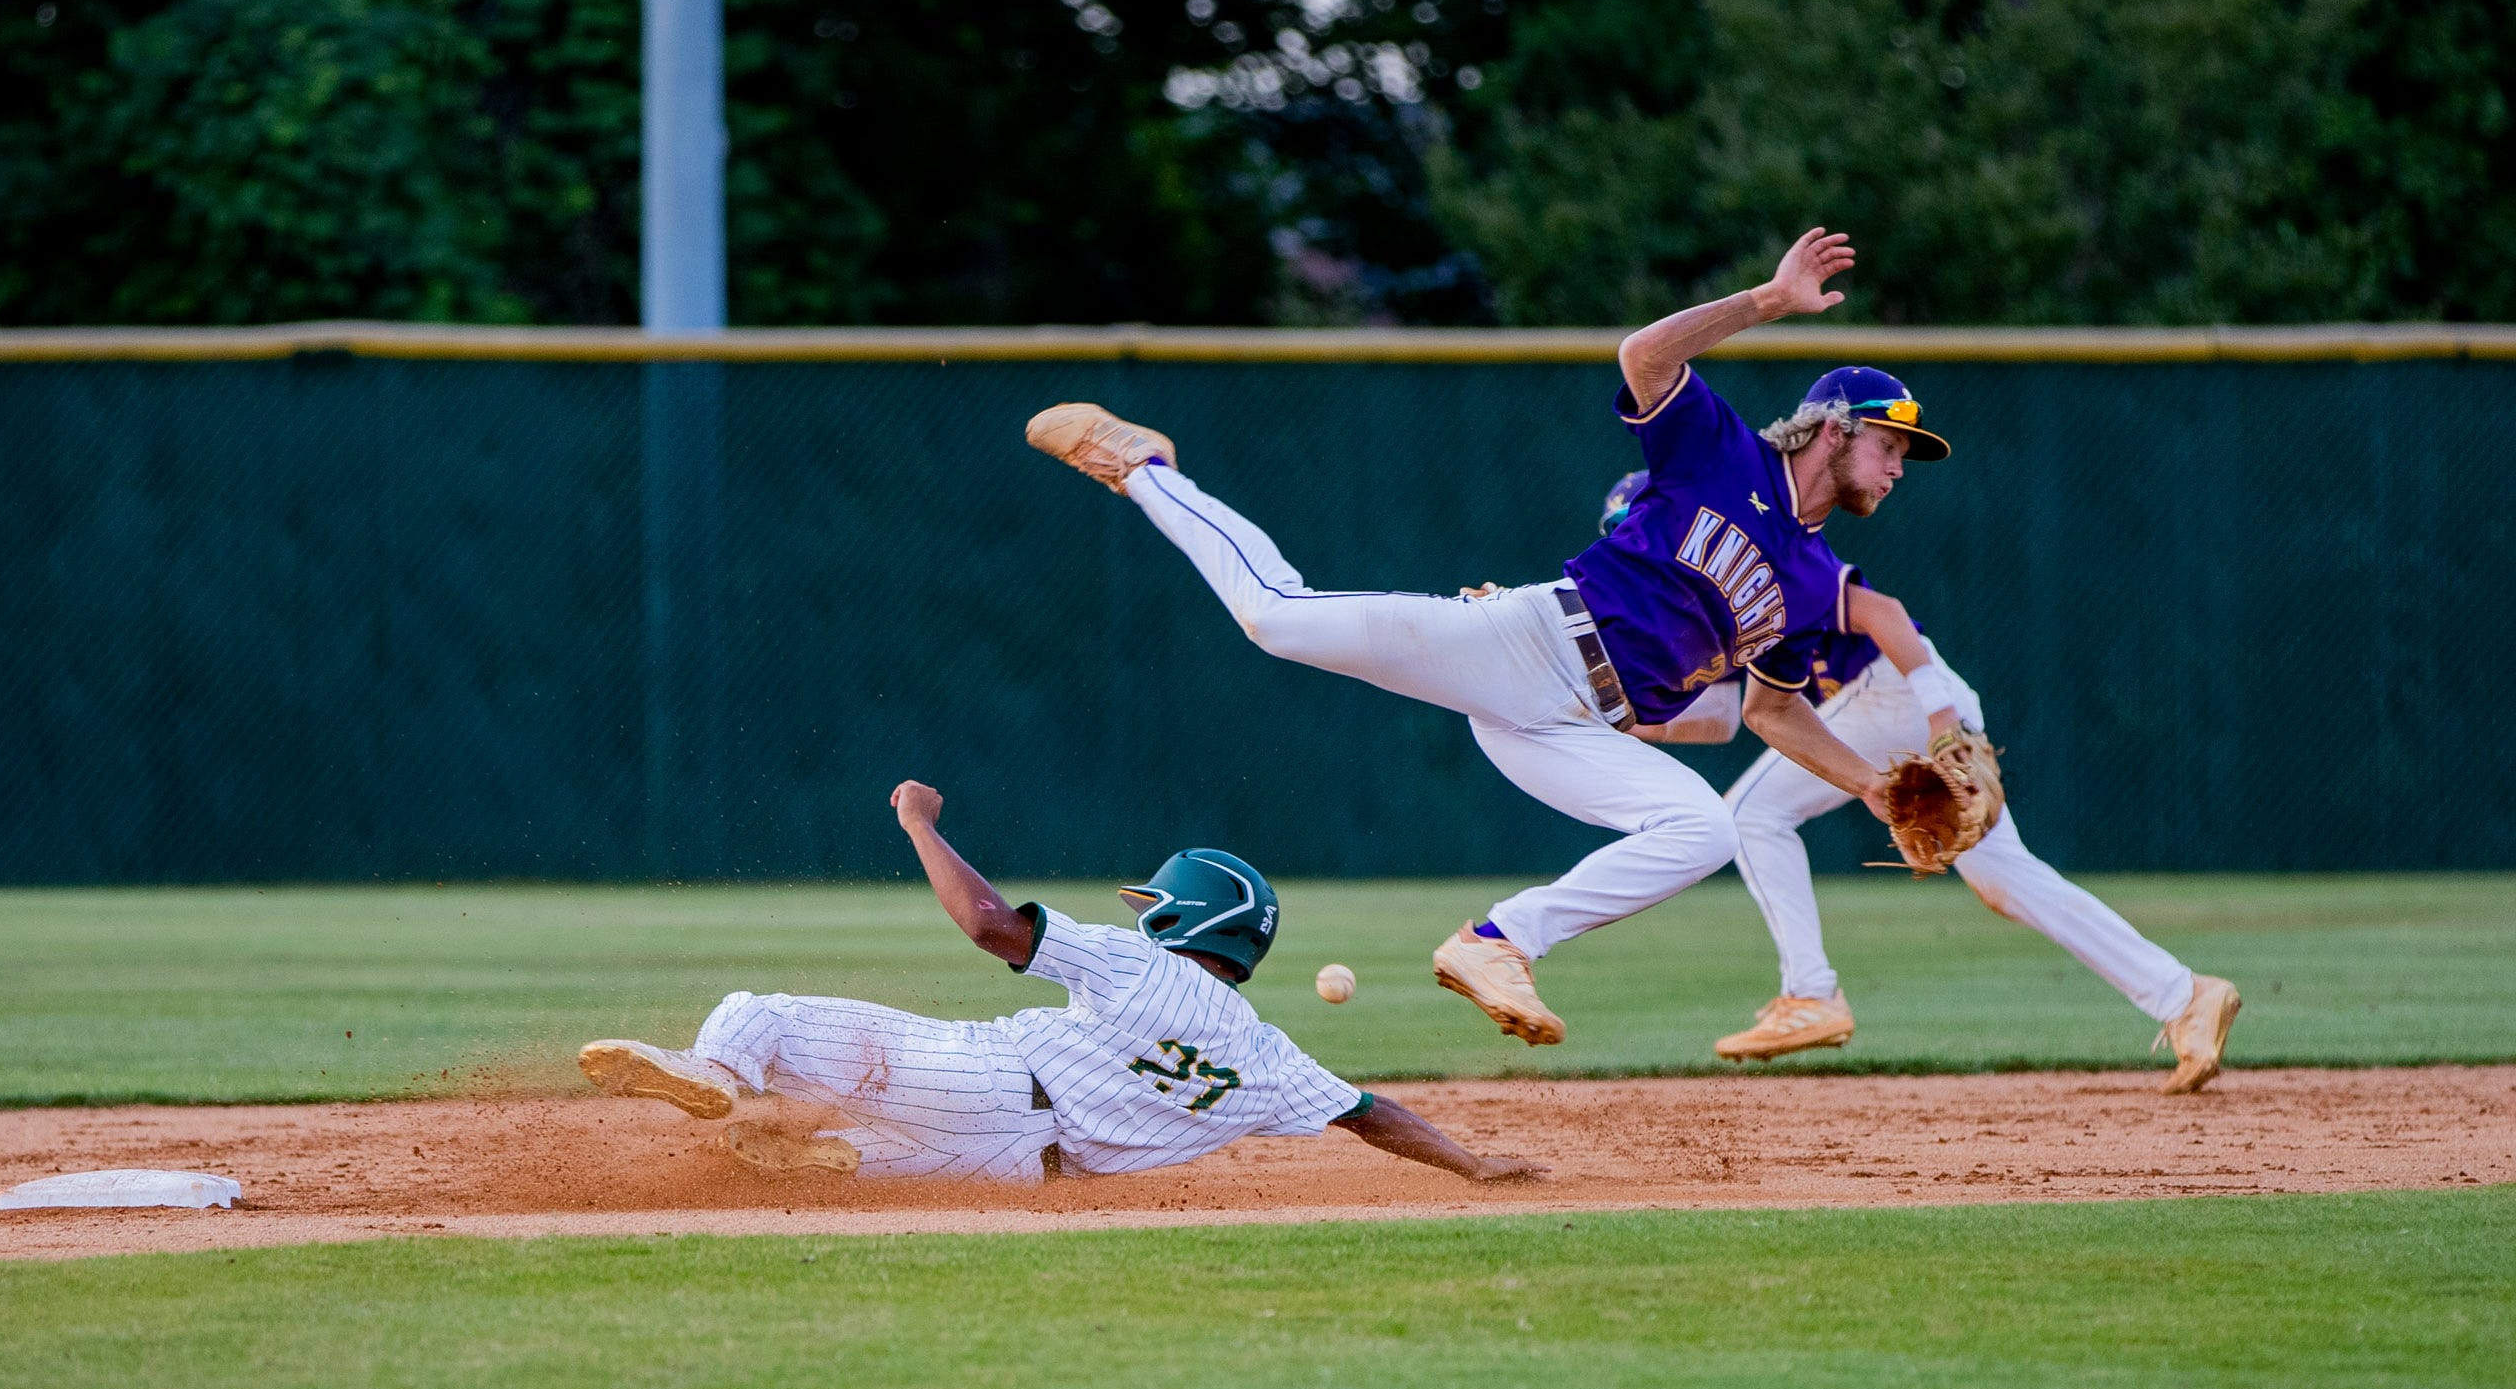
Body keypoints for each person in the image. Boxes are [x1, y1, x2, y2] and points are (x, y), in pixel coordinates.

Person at [1026, 228, 1951, 1048]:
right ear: (1833, 428)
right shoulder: (1724, 451)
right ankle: (1143, 467)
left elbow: (1772, 713)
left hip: (1577, 728)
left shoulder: (1811, 580)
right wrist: (1767, 301)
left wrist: (1870, 785)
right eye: (1890, 444)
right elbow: (1643, 355)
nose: (1899, 467)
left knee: (1704, 828)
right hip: (1533, 640)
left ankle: (1497, 942)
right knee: (1274, 615)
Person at [1589, 471, 2242, 1093]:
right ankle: (2185, 995)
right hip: (1904, 704)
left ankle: (1810, 993)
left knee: (1751, 815)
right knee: (2008, 881)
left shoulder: (1762, 559)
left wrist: (1939, 718)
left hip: (1896, 693)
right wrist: (1607, 721)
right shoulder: (1712, 611)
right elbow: (1717, 717)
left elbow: (1885, 613)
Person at [578, 780, 1548, 1183]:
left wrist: (918, 824)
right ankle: (820, 1150)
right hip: (1017, 1171)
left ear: (1187, 917)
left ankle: (715, 1072)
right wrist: (1473, 1164)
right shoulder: (1270, 1058)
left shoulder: (1139, 961)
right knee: (806, 1166)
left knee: (767, 1015)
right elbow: (1371, 1114)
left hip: (981, 1078)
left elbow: (990, 925)